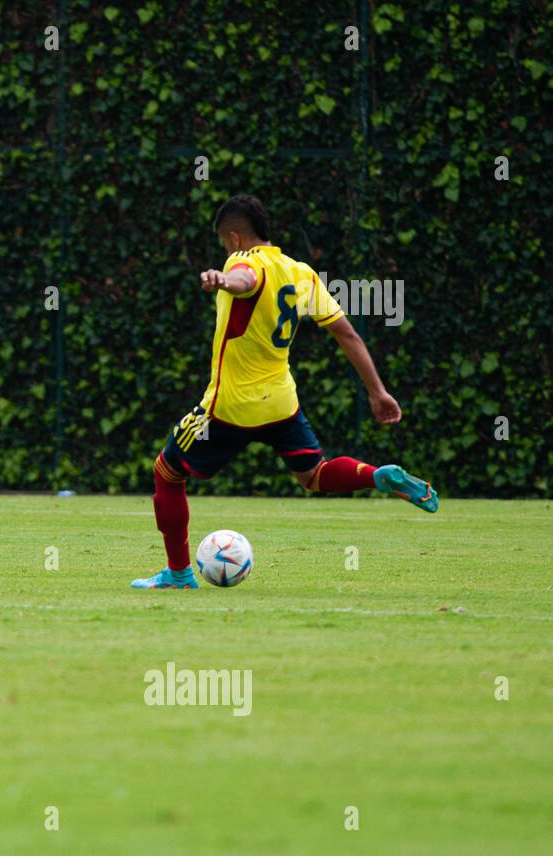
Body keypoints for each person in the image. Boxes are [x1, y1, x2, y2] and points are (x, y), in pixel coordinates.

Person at [132, 195, 437, 590]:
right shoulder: (302, 273)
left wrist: (224, 279)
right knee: (315, 474)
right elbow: (347, 333)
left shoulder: (242, 261)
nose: (226, 251)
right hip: (281, 403)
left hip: (231, 407)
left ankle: (178, 574)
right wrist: (378, 392)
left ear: (236, 237)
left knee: (167, 473)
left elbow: (247, 279)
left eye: (226, 243)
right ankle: (377, 475)